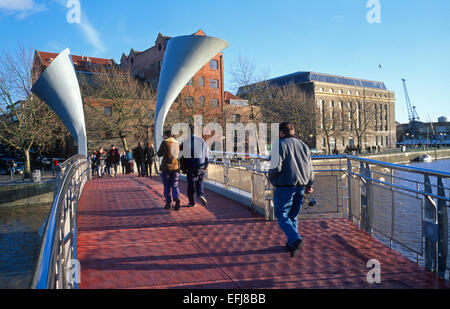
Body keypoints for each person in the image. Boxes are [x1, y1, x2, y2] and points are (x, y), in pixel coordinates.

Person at [268, 122, 314, 257]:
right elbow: (310, 169)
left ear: (282, 132)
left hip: (285, 186)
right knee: (293, 215)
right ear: (293, 131)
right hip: (301, 186)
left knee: (282, 215)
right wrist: (309, 185)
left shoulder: (278, 145)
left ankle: (295, 239)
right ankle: (291, 244)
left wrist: (272, 179)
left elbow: (275, 168)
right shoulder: (304, 146)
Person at [180, 127, 208, 207]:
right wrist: (206, 165)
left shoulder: (185, 142)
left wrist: (183, 168)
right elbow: (206, 154)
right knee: (199, 181)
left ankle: (192, 202)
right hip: (201, 166)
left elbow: (182, 156)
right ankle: (200, 194)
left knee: (191, 184)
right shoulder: (202, 141)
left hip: (190, 166)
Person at [157, 130, 181, 211]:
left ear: (166, 136)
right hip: (175, 167)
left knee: (167, 186)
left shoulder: (164, 143)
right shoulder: (177, 143)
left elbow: (159, 153)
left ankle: (168, 203)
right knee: (175, 184)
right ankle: (177, 197)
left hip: (166, 167)